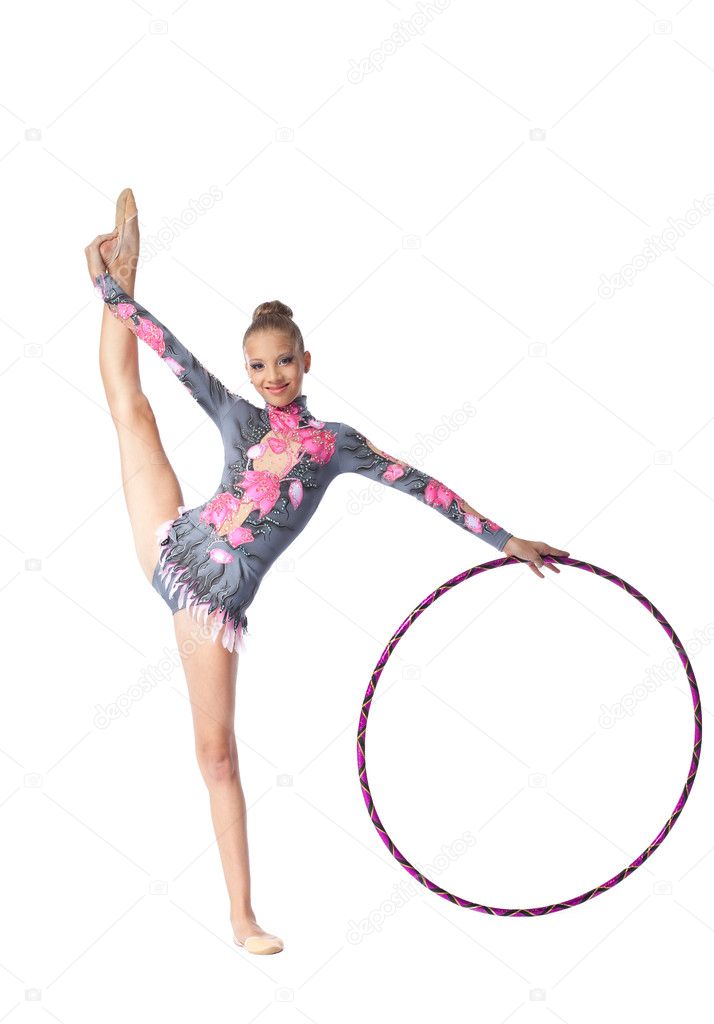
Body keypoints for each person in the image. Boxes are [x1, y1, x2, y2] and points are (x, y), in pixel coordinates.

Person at [85, 188, 570, 955]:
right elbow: (170, 351)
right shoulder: (237, 415)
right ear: (248, 369)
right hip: (172, 544)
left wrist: (505, 540)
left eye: (283, 361)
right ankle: (129, 267)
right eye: (258, 364)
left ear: (305, 361)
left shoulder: (334, 444)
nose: (272, 374)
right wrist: (110, 290)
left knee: (216, 754)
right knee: (130, 408)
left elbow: (421, 485)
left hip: (209, 605)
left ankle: (242, 918)